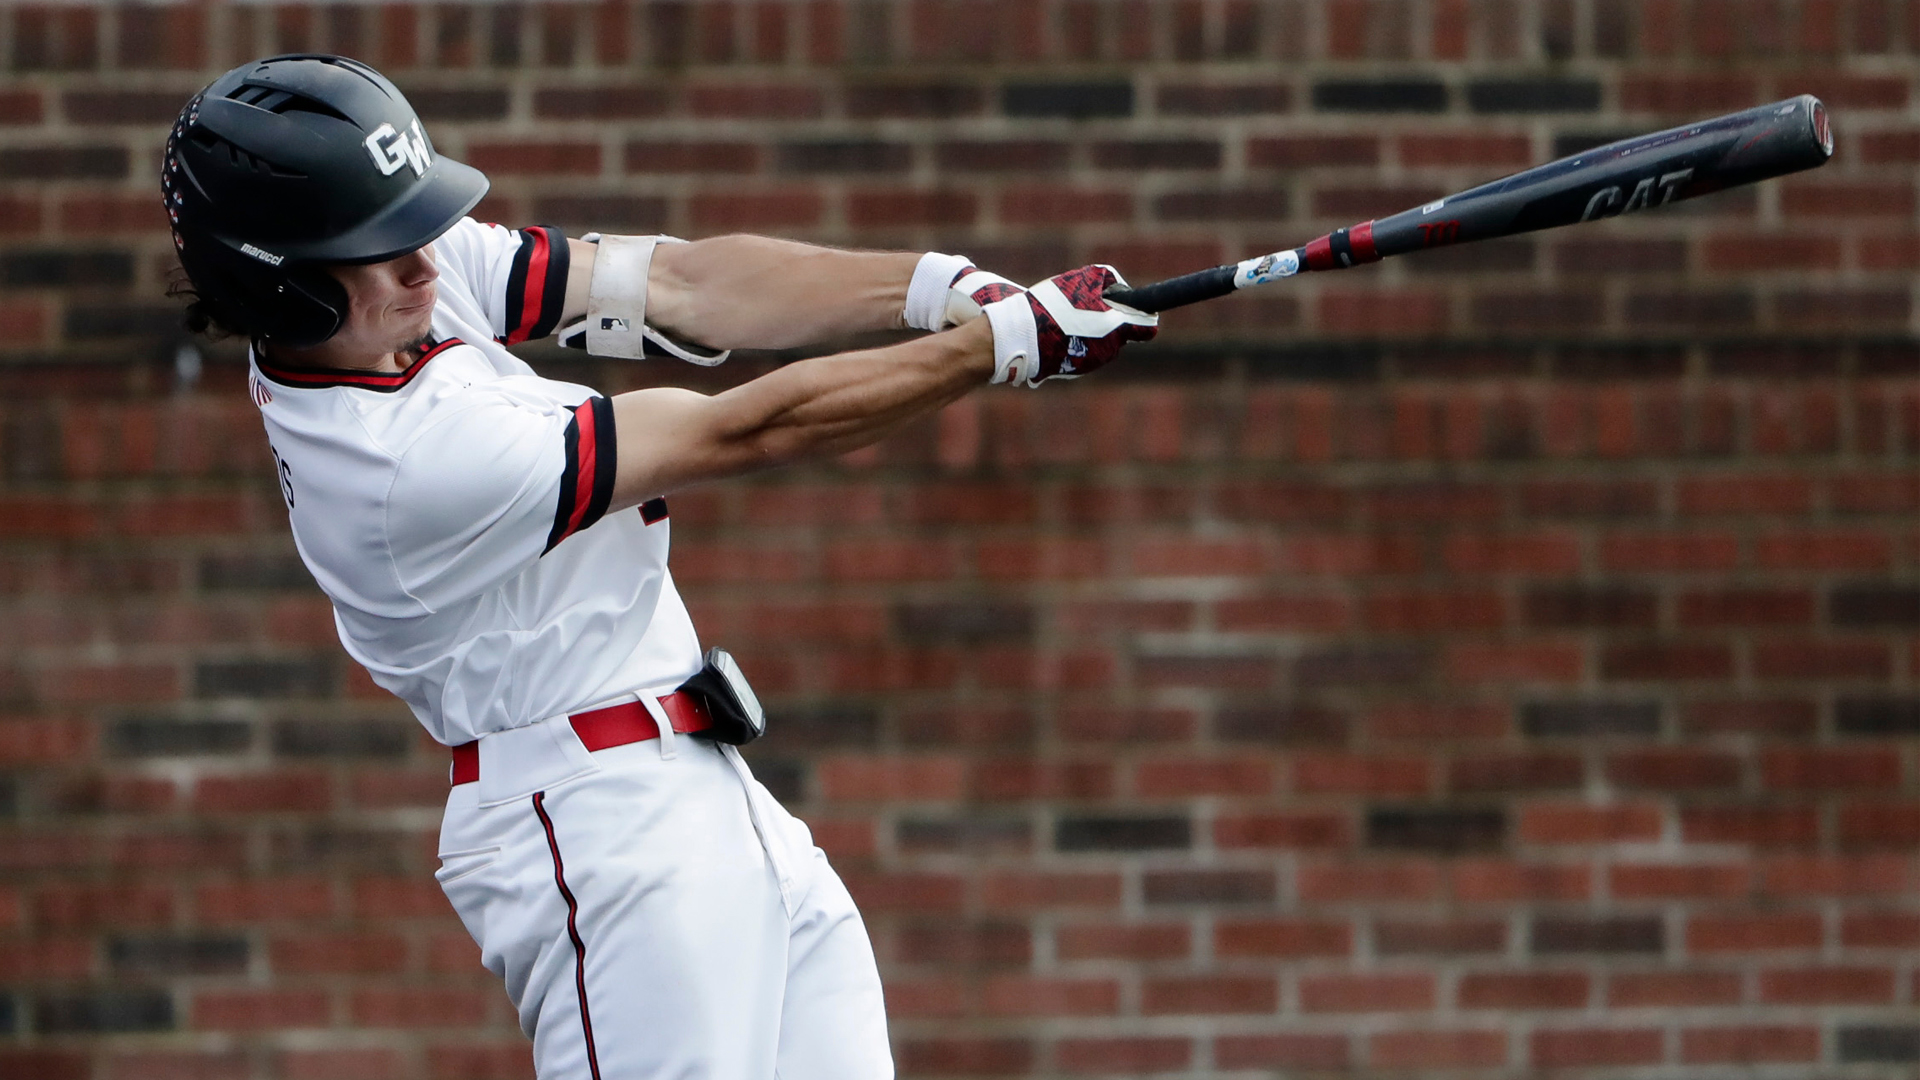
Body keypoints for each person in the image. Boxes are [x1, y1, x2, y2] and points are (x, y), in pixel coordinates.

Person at [165, 54, 1157, 1079]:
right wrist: (988, 351)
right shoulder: (396, 468)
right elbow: (745, 430)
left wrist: (940, 289)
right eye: (375, 247)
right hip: (601, 840)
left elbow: (682, 284)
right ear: (273, 281)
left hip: (716, 801)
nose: (423, 263)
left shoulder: (398, 289)